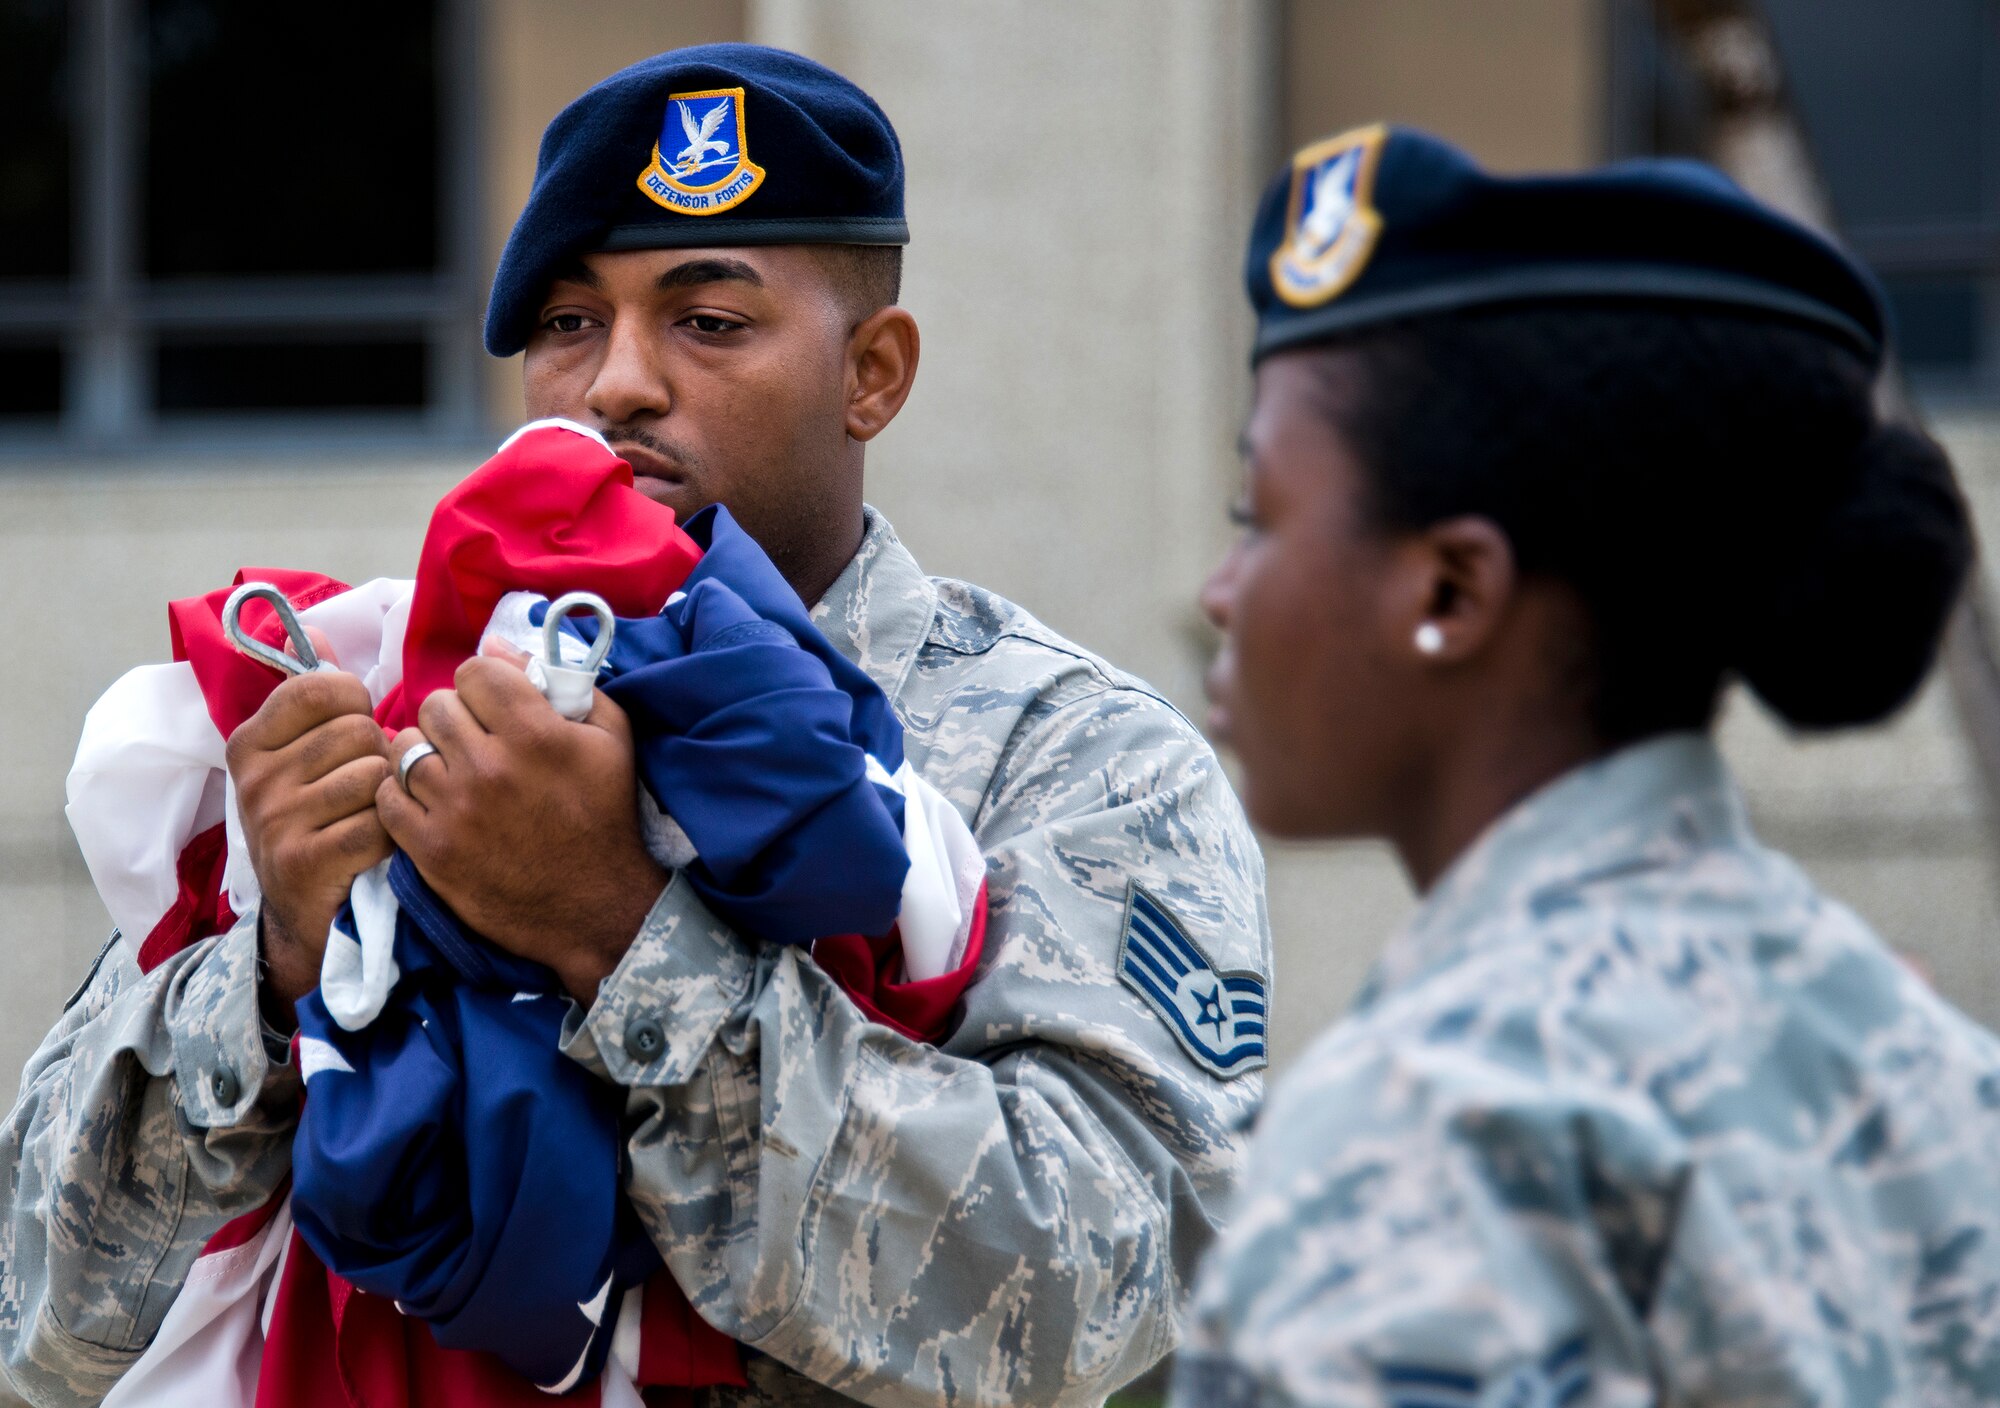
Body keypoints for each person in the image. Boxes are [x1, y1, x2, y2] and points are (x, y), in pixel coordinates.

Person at [0, 44, 1270, 1408]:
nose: (617, 386)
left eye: (708, 322)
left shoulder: (1069, 757)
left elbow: (1121, 1293)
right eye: (565, 326)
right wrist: (277, 975)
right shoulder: (383, 708)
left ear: (874, 376)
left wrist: (620, 934)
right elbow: (38, 1318)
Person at [1173, 124, 1998, 1407]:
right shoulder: (1934, 1064)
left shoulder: (1434, 1125)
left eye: (1254, 517)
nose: (1219, 593)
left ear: (1447, 589)